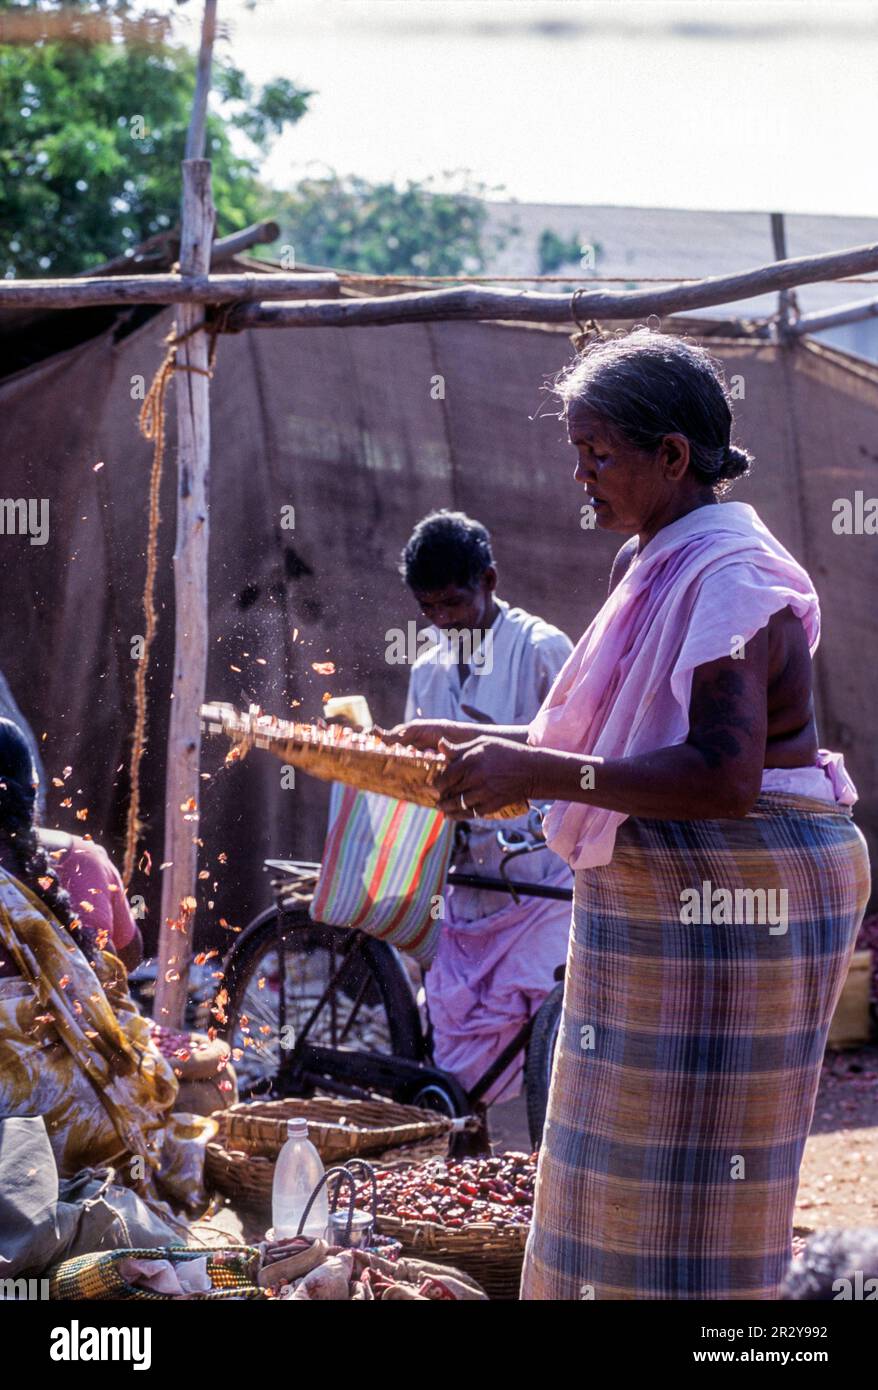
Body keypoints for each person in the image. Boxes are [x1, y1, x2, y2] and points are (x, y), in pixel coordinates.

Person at [401, 330, 870, 1300]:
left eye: (598, 454)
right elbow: (607, 736)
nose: (581, 478)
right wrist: (459, 739)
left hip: (745, 890)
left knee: (697, 1177)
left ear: (670, 456)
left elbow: (720, 774)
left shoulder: (729, 571)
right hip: (672, 890)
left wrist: (534, 769)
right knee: (607, 1165)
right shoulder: (652, 560)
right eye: (576, 454)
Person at [383, 510, 573, 1104]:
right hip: (465, 887)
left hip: (541, 874)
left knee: (553, 1029)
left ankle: (555, 1162)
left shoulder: (542, 649)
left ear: (488, 582)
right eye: (429, 609)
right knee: (462, 1059)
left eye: (453, 604)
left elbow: (572, 749)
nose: (443, 621)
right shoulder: (428, 667)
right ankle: (468, 1139)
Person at [0, 719, 177, 1177]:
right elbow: (129, 957)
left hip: (12, 1145)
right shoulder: (83, 858)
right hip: (98, 1124)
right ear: (33, 791)